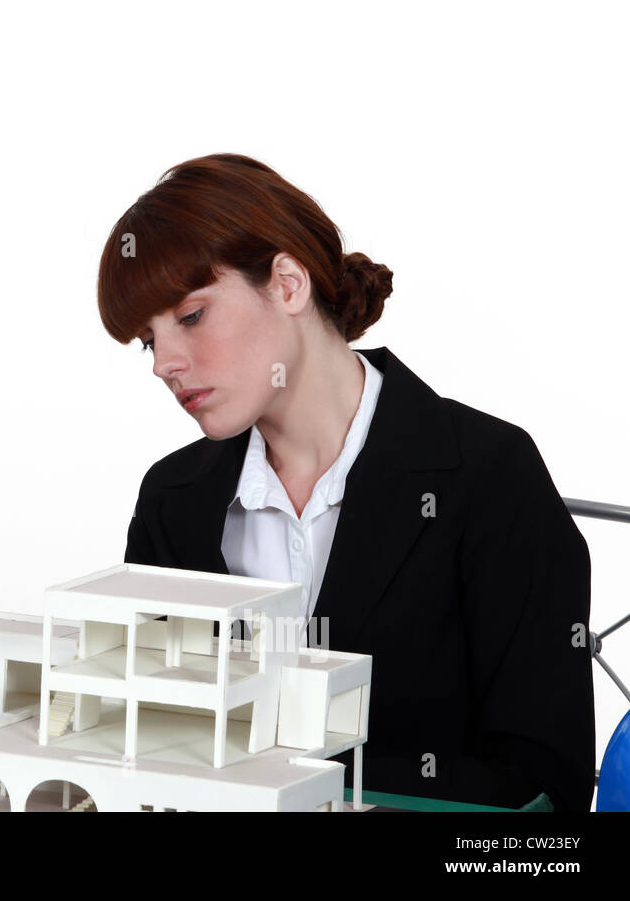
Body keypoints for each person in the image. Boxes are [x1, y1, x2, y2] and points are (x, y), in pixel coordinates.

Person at [97, 153, 596, 810]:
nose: (166, 363)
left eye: (190, 317)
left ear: (287, 283)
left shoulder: (488, 473)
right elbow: (152, 739)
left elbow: (542, 785)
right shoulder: (174, 498)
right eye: (147, 341)